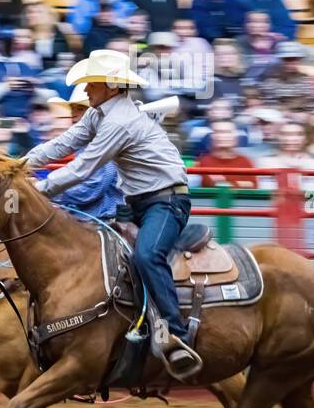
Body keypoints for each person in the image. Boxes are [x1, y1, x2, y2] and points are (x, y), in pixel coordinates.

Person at [24, 49, 203, 379]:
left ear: (109, 85)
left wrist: (38, 189)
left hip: (165, 202)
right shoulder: (99, 115)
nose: (85, 88)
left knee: (148, 255)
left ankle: (177, 333)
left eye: (90, 82)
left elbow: (83, 167)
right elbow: (62, 144)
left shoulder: (119, 122)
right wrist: (20, 165)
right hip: (138, 203)